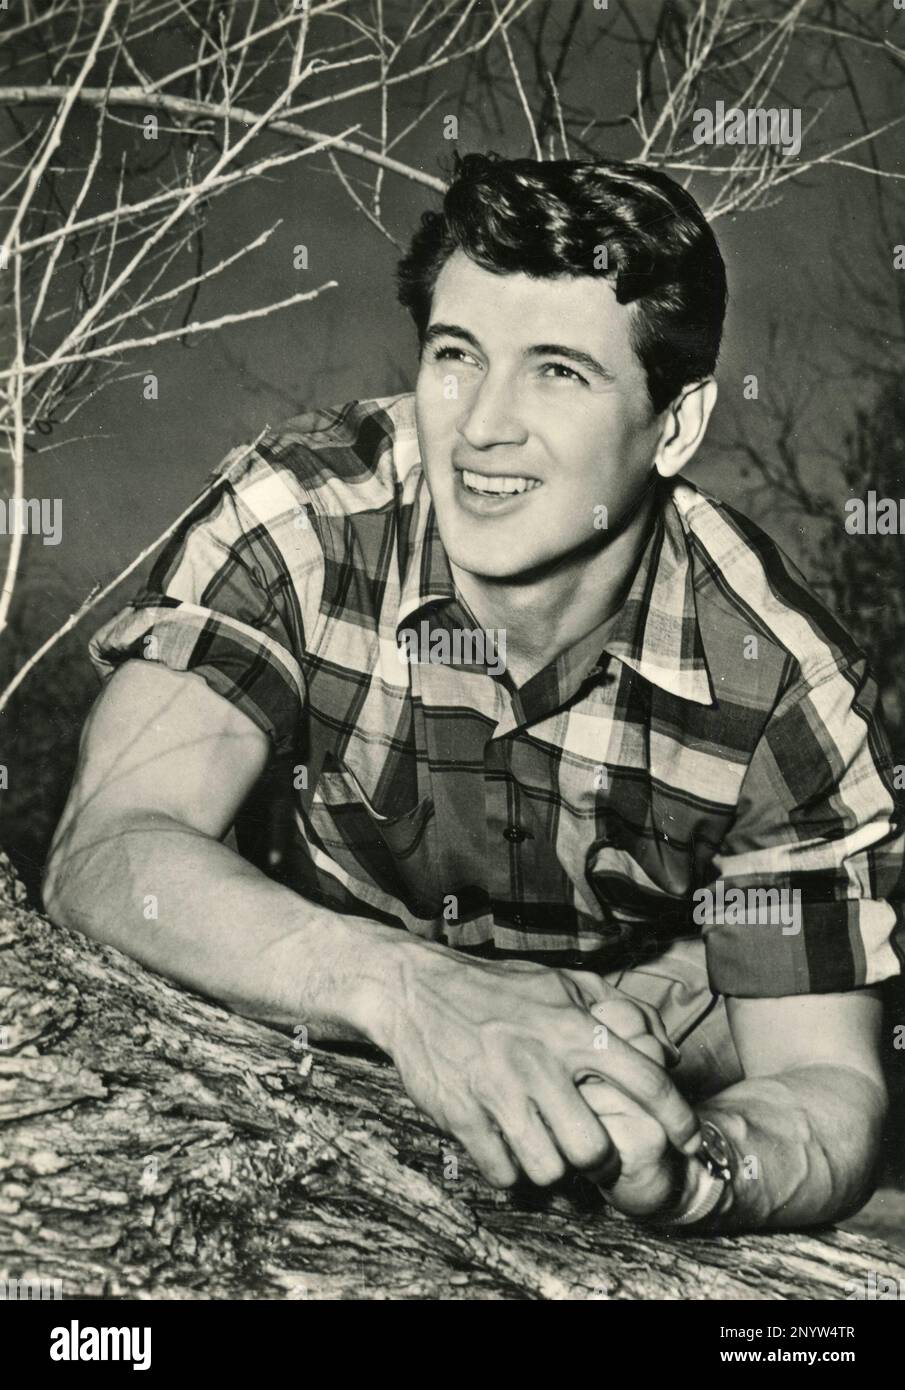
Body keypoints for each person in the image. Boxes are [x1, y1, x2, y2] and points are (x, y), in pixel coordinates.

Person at [43, 152, 904, 1231]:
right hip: (313, 1043)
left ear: (674, 425)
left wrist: (701, 1166)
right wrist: (410, 991)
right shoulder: (300, 515)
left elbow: (827, 1086)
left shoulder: (777, 682)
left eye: (558, 370)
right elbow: (109, 851)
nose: (483, 423)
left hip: (626, 1068)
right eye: (457, 355)